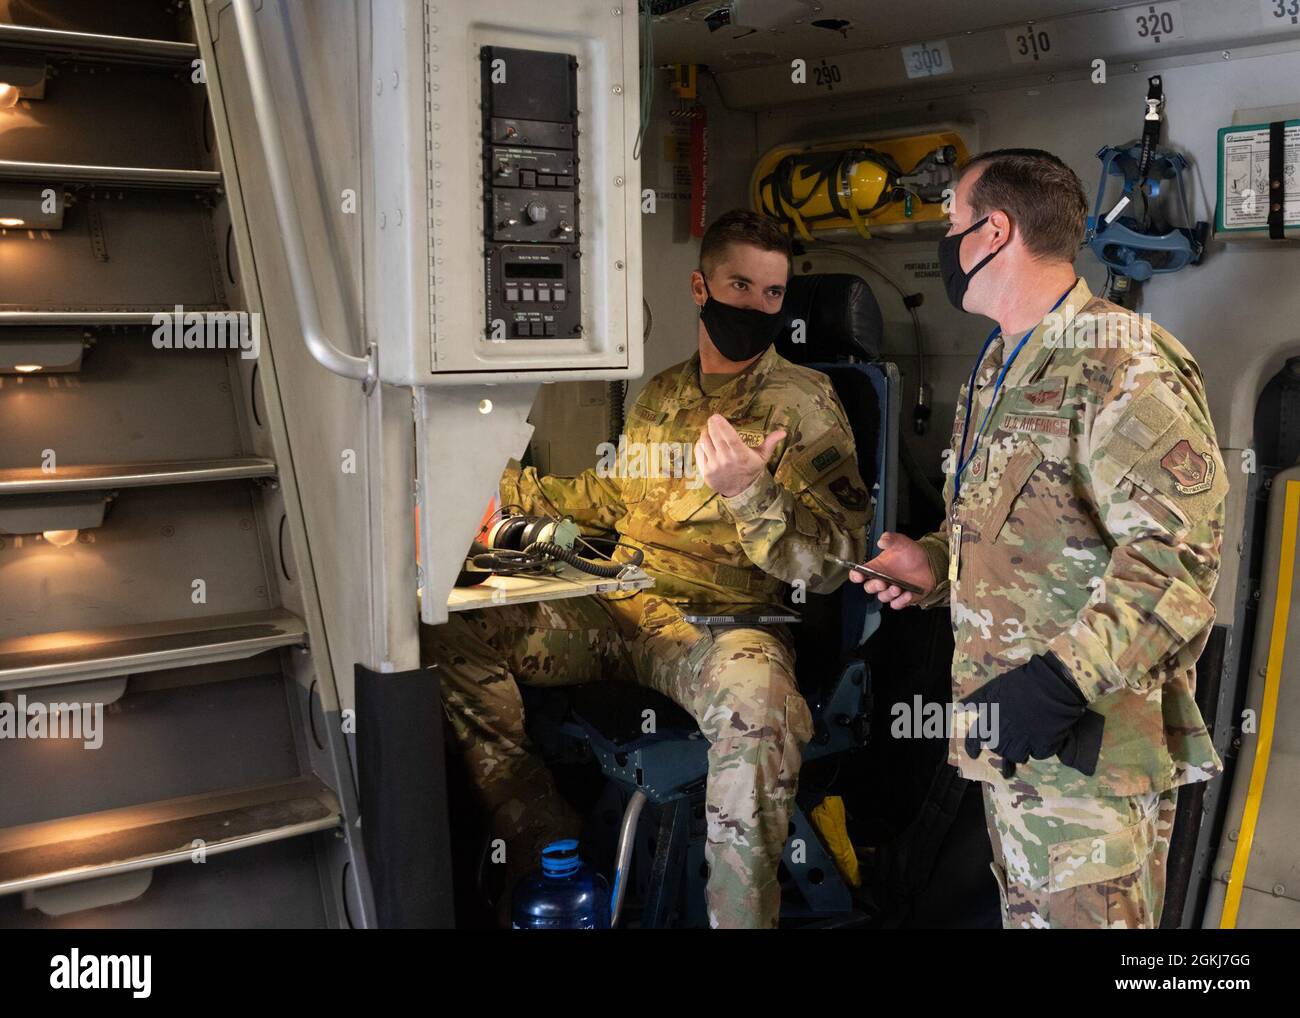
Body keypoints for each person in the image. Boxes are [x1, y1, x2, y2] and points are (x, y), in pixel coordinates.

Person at [422, 209, 870, 928]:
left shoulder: (804, 405)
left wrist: (750, 492)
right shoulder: (662, 394)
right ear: (700, 286)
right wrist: (501, 491)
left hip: (721, 629)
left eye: (773, 294)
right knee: (448, 620)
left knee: (759, 714)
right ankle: (541, 836)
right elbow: (615, 500)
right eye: (741, 285)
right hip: (618, 600)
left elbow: (832, 564)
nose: (757, 306)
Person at [851, 149, 1227, 928]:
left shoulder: (1125, 361)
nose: (947, 243)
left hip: (1087, 754)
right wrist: (937, 566)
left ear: (994, 230)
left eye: (952, 223)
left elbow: (1177, 559)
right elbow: (1017, 531)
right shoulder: (997, 364)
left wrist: (1054, 685)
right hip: (1014, 744)